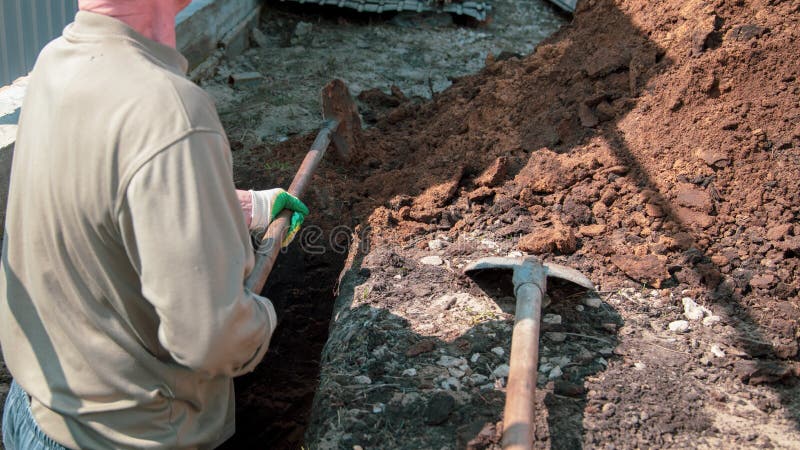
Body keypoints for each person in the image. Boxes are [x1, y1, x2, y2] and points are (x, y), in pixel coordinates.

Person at [0, 0, 308, 448]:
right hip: (127, 433)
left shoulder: (56, 60)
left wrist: (235, 206)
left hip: (35, 410)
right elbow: (212, 339)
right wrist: (262, 317)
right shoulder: (170, 110)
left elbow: (97, 204)